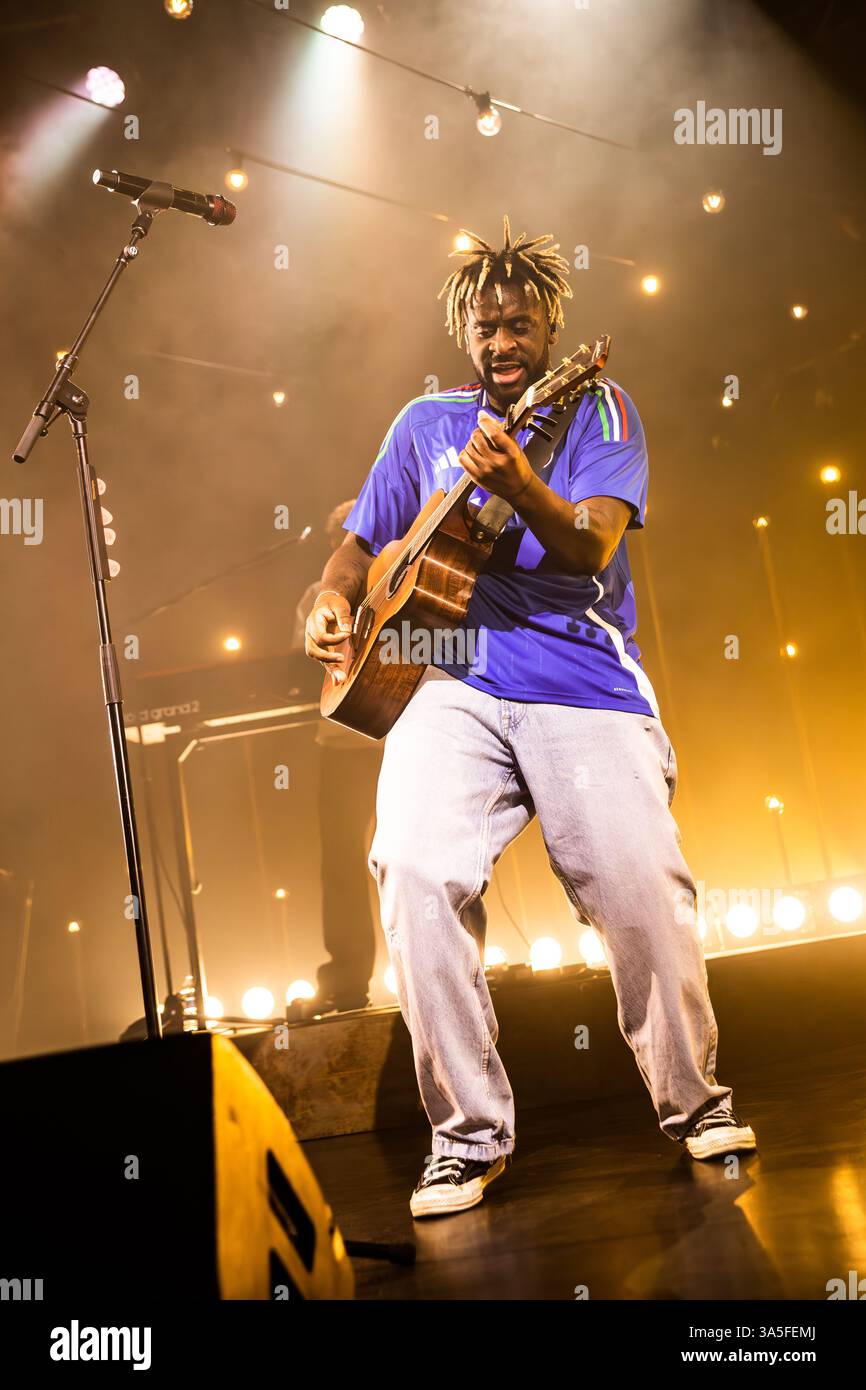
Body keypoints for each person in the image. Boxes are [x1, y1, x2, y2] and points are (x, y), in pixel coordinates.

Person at [304, 217, 756, 1219]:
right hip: (445, 678)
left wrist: (520, 486)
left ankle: (694, 1104)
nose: (501, 340)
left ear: (551, 328)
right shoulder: (419, 425)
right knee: (412, 866)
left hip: (578, 681)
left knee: (638, 889)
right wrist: (331, 602)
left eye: (519, 323)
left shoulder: (595, 406)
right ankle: (464, 1138)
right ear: (463, 328)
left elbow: (589, 550)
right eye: (485, 323)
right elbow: (356, 543)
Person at [292, 500, 380, 1014]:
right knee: (342, 863)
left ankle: (454, 970)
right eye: (346, 536)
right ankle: (348, 980)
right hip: (343, 746)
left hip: (403, 737)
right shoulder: (315, 598)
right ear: (335, 547)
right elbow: (299, 666)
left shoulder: (411, 575)